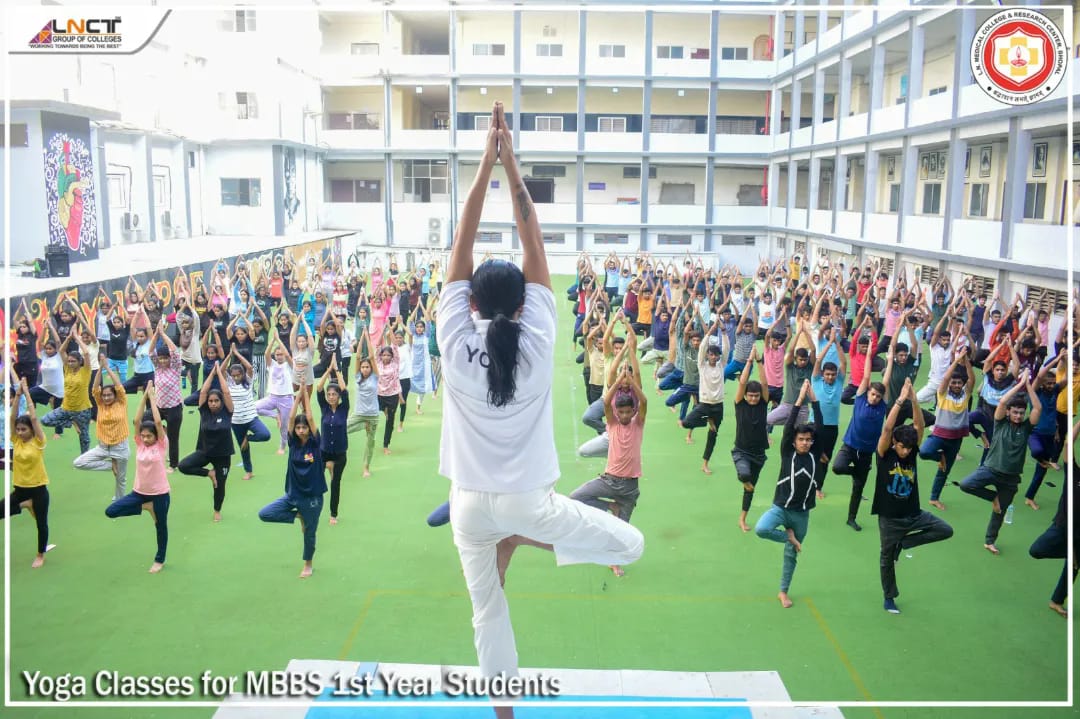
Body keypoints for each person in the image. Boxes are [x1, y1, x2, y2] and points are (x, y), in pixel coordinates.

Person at [439, 103, 642, 719]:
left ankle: (505, 715)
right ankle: (527, 535)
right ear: (526, 300)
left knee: (487, 613)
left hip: (468, 506)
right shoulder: (540, 335)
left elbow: (462, 240)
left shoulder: (451, 335)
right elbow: (533, 242)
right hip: (528, 499)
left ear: (468, 299)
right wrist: (511, 166)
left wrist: (485, 166)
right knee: (628, 544)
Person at [872, 378, 953, 614]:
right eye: (902, 447)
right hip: (889, 519)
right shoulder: (885, 454)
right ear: (894, 443)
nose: (906, 451)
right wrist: (900, 400)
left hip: (914, 514)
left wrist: (915, 400)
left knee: (945, 530)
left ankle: (905, 543)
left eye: (909, 447)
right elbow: (887, 428)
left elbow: (918, 426)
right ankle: (889, 597)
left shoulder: (911, 451)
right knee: (886, 560)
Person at [570, 364, 647, 577]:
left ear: (633, 411)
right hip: (608, 480)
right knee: (575, 497)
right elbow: (606, 402)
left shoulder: (637, 424)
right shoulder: (611, 425)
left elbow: (645, 401)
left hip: (630, 488)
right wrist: (617, 379)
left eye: (627, 411)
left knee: (621, 532)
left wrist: (630, 381)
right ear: (615, 413)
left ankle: (614, 562)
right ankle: (610, 506)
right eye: (620, 411)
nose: (624, 415)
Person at [959, 368, 1042, 555]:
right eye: (1015, 412)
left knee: (999, 512)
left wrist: (1028, 386)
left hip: (1011, 479)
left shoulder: (1026, 428)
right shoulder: (1000, 423)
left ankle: (990, 541)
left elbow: (1037, 409)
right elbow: (1003, 401)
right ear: (1008, 413)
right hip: (990, 470)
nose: (1019, 416)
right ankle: (992, 497)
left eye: (1021, 413)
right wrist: (1019, 385)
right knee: (965, 485)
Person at [754, 380, 818, 609]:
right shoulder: (787, 452)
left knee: (791, 556)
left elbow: (819, 423)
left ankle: (783, 591)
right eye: (801, 439)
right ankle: (788, 537)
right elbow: (790, 424)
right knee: (761, 529)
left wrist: (815, 400)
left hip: (802, 514)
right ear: (794, 441)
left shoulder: (814, 454)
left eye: (808, 440)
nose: (805, 443)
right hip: (781, 508)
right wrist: (800, 399)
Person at [259, 387, 327, 578]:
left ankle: (308, 564)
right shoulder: (293, 443)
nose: (300, 430)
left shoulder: (315, 444)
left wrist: (305, 392)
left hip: (312, 498)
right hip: (293, 495)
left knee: (309, 535)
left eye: (303, 427)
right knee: (264, 514)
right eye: (298, 428)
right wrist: (296, 398)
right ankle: (298, 516)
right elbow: (290, 418)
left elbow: (311, 418)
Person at [105, 383, 171, 573]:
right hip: (139, 493)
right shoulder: (140, 444)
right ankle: (145, 507)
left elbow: (158, 424)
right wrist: (144, 397)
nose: (145, 439)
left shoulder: (160, 445)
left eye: (149, 436)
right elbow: (136, 421)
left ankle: (159, 560)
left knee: (161, 527)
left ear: (156, 436)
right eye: (143, 436)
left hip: (160, 494)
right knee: (111, 511)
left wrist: (153, 398)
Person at [831, 348, 888, 531]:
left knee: (858, 489)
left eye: (878, 396)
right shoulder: (861, 399)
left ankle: (851, 518)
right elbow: (865, 377)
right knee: (838, 467)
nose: (875, 398)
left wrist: (891, 357)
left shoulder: (882, 407)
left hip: (865, 454)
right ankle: (855, 473)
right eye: (873, 394)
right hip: (849, 446)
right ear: (867, 393)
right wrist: (870, 352)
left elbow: (886, 380)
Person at [1028, 419, 1079, 618]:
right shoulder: (1074, 474)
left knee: (1073, 568)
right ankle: (1071, 551)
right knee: (1037, 550)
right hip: (1062, 526)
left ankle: (1056, 601)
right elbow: (1068, 443)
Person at [178, 361, 235, 522]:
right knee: (183, 466)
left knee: (220, 485)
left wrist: (220, 373)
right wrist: (212, 373)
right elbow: (203, 391)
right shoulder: (204, 411)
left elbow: (226, 392)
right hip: (205, 452)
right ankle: (210, 473)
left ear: (221, 402)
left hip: (223, 455)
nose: (213, 403)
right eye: (211, 401)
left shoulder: (227, 411)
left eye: (216, 401)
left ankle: (217, 510)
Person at [2, 379, 50, 568]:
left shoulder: (38, 442)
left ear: (31, 429)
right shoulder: (16, 440)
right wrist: (18, 395)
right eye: (19, 430)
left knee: (41, 524)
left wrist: (27, 394)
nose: (20, 432)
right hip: (20, 489)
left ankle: (40, 554)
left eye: (24, 429)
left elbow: (35, 419)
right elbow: (12, 418)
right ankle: (23, 505)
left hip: (38, 489)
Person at [919, 353, 974, 511]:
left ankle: (934, 498)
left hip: (956, 439)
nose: (957, 385)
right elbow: (944, 380)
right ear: (949, 384)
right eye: (954, 382)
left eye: (959, 383)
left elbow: (971, 380)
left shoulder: (965, 394)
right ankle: (940, 456)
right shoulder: (942, 394)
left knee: (944, 471)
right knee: (923, 451)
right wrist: (956, 361)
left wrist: (966, 362)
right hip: (939, 436)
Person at [73, 359, 129, 501]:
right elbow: (95, 388)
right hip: (103, 446)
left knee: (120, 479)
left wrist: (108, 369)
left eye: (109, 395)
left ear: (115, 395)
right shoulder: (100, 404)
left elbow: (118, 385)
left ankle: (119, 500)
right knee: (79, 463)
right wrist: (100, 369)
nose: (106, 397)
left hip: (120, 446)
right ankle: (111, 465)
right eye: (104, 395)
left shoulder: (121, 402)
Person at [733, 346, 770, 533]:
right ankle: (745, 481)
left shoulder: (763, 404)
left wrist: (760, 361)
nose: (754, 398)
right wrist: (749, 360)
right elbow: (742, 383)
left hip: (759, 454)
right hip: (741, 451)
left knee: (750, 488)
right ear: (745, 396)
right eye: (751, 396)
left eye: (756, 396)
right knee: (744, 476)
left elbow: (764, 384)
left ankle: (742, 518)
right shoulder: (740, 404)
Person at [809, 329, 846, 499]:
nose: (830, 377)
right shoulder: (816, 380)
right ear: (823, 375)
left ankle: (818, 486)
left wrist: (837, 343)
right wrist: (829, 342)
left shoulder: (839, 381)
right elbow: (817, 361)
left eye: (832, 374)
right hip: (814, 424)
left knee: (825, 459)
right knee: (810, 455)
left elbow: (843, 363)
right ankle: (806, 483)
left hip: (831, 427)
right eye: (828, 374)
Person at [316, 355, 349, 525]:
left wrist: (337, 371)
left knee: (335, 483)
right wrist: (328, 370)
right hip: (323, 452)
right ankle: (311, 507)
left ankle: (333, 514)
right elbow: (319, 388)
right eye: (329, 394)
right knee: (316, 479)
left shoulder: (344, 409)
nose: (330, 396)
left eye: (333, 394)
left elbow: (345, 390)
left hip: (340, 454)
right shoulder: (324, 408)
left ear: (338, 396)